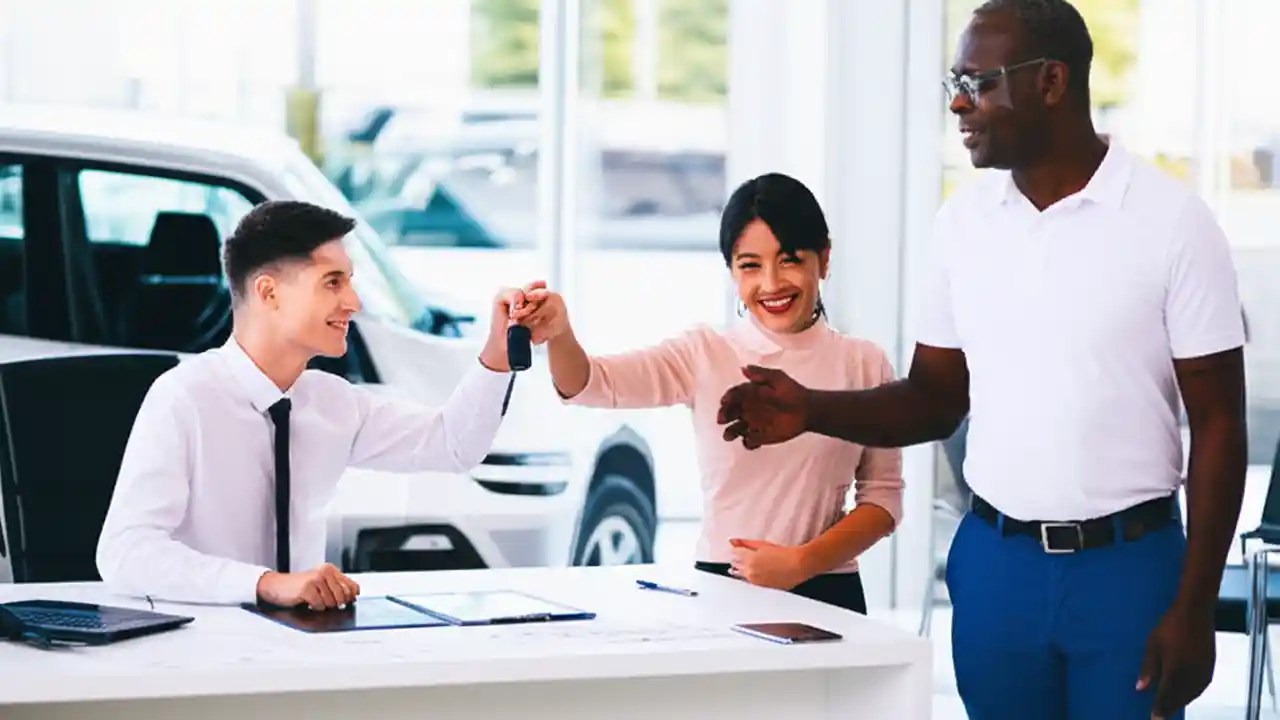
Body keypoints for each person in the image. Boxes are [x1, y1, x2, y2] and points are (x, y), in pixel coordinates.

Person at [717, 2, 1246, 718]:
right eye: (953, 83)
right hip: (998, 570)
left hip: (1129, 571)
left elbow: (1219, 426)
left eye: (979, 82)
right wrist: (812, 409)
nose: (960, 104)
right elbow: (935, 398)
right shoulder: (963, 225)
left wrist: (1196, 604)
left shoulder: (1173, 223)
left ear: (1053, 82)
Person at [97, 200, 538, 610]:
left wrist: (498, 352)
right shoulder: (183, 398)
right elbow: (125, 552)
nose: (354, 302)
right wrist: (265, 583)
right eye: (333, 282)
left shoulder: (331, 402)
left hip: (304, 648)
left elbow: (454, 445)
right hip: (205, 652)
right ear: (269, 293)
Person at [511, 173, 903, 614]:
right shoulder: (705, 353)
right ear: (732, 272)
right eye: (750, 265)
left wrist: (801, 563)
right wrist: (560, 334)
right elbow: (589, 384)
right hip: (725, 589)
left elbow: (883, 500)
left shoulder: (865, 363)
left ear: (824, 259)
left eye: (790, 259)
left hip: (830, 591)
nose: (771, 283)